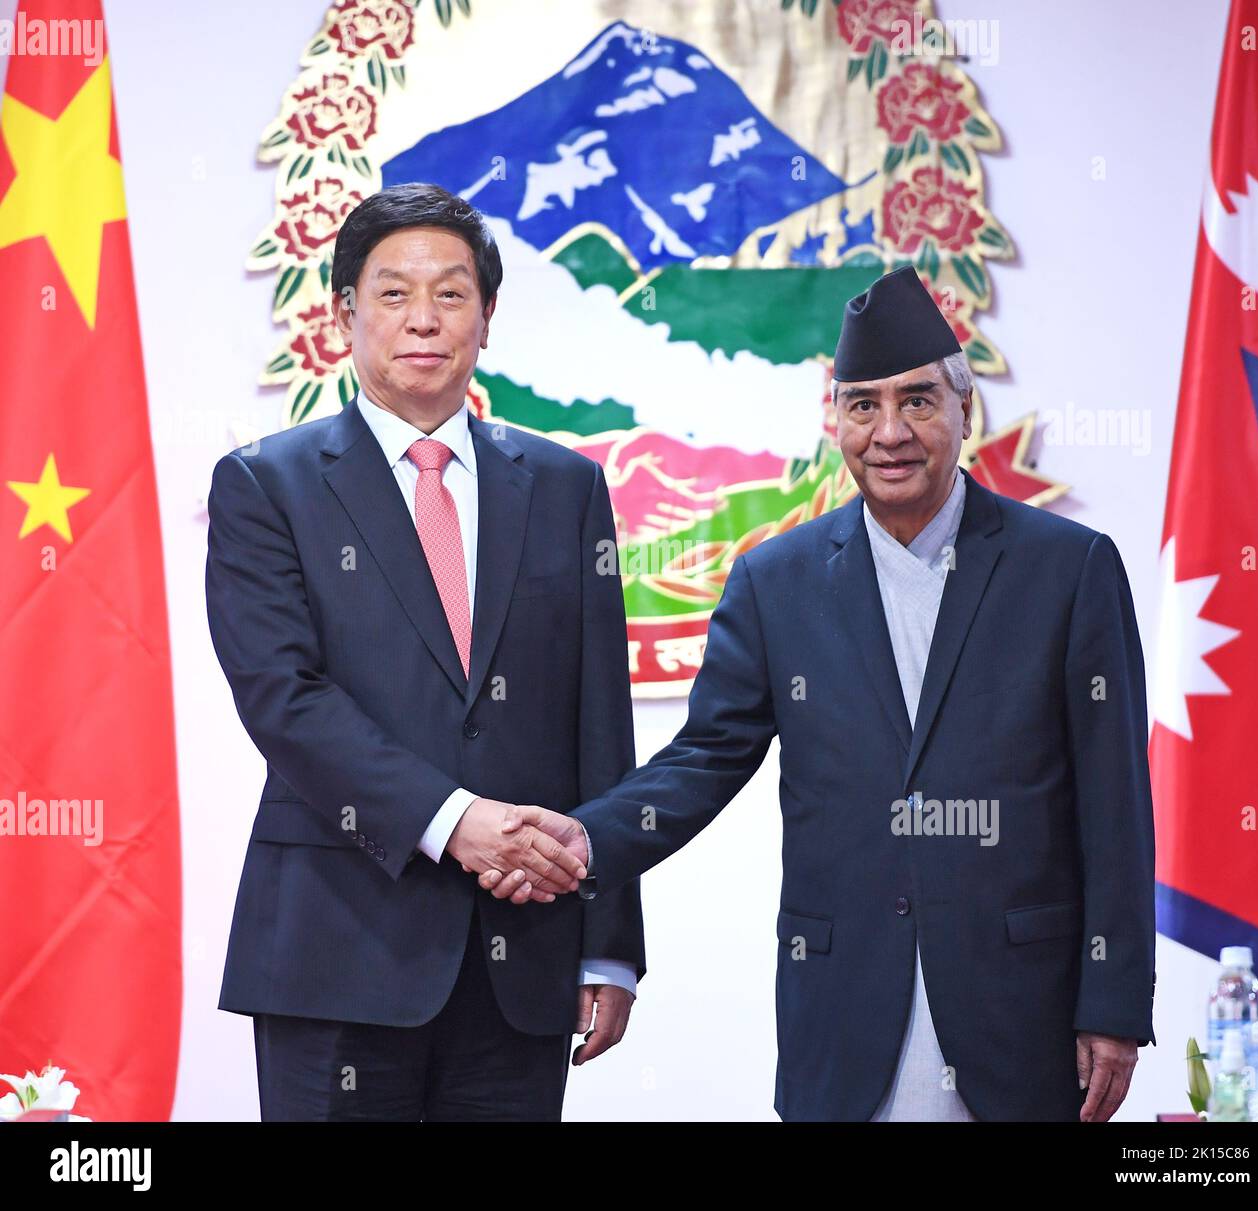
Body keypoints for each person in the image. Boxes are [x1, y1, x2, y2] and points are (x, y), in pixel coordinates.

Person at [469, 267, 1157, 1122]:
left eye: (917, 400)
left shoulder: (1069, 568)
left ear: (963, 411)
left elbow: (1116, 801)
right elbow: (704, 759)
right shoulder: (777, 581)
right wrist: (581, 839)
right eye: (862, 405)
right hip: (843, 1010)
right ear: (834, 421)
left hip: (1023, 1011)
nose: (890, 431)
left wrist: (1116, 1003)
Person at [206, 182, 644, 1121]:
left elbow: (600, 717)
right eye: (393, 292)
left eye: (451, 293)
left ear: (487, 317)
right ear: (343, 313)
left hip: (522, 958)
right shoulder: (265, 486)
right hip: (337, 949)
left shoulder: (566, 488)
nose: (423, 319)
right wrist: (454, 820)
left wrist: (608, 939)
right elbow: (285, 698)